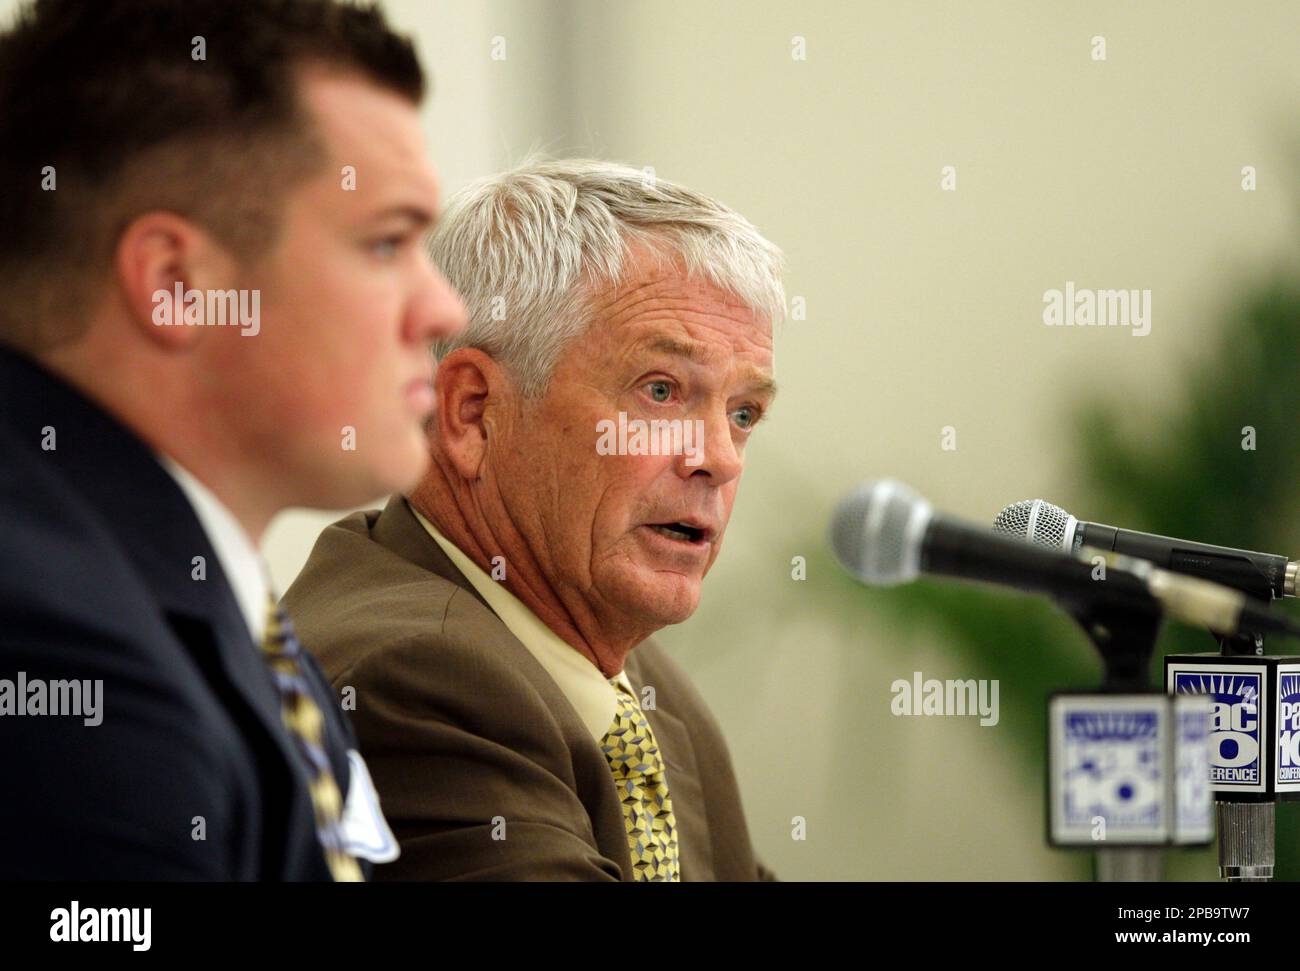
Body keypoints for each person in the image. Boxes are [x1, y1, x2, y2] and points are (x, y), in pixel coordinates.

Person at [0, 0, 466, 879]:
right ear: (177, 284)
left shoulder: (186, 593)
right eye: (386, 243)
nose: (443, 309)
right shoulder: (65, 653)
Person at [284, 158, 783, 880]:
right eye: (662, 391)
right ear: (472, 413)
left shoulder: (646, 687)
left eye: (742, 413)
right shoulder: (414, 680)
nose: (720, 458)